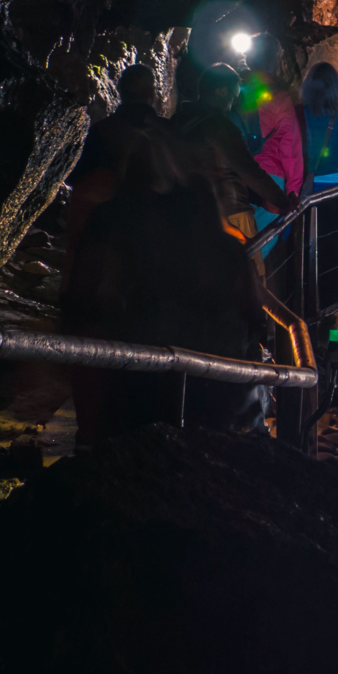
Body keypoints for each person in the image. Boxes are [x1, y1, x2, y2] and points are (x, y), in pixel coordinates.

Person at [63, 127, 269, 444]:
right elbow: (254, 315)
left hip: (134, 375)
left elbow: (87, 294)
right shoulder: (214, 242)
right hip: (214, 384)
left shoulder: (111, 218)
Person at [172, 63, 294, 270]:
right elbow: (248, 169)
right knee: (247, 278)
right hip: (230, 211)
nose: (233, 101)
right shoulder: (220, 125)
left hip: (189, 214)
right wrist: (283, 201)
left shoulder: (177, 120)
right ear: (221, 91)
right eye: (232, 94)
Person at [64, 64, 169, 285]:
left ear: (120, 92)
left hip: (99, 237)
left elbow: (73, 177)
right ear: (152, 95)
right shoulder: (170, 134)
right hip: (152, 234)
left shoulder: (99, 131)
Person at [300, 63, 338, 314]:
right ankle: (328, 308)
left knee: (303, 248)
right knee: (331, 250)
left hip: (305, 189)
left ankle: (301, 306)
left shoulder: (297, 114)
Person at [235, 34, 305, 241]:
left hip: (233, 175)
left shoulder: (235, 91)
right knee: (259, 247)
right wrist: (292, 190)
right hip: (268, 179)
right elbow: (290, 148)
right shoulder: (280, 97)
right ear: (276, 60)